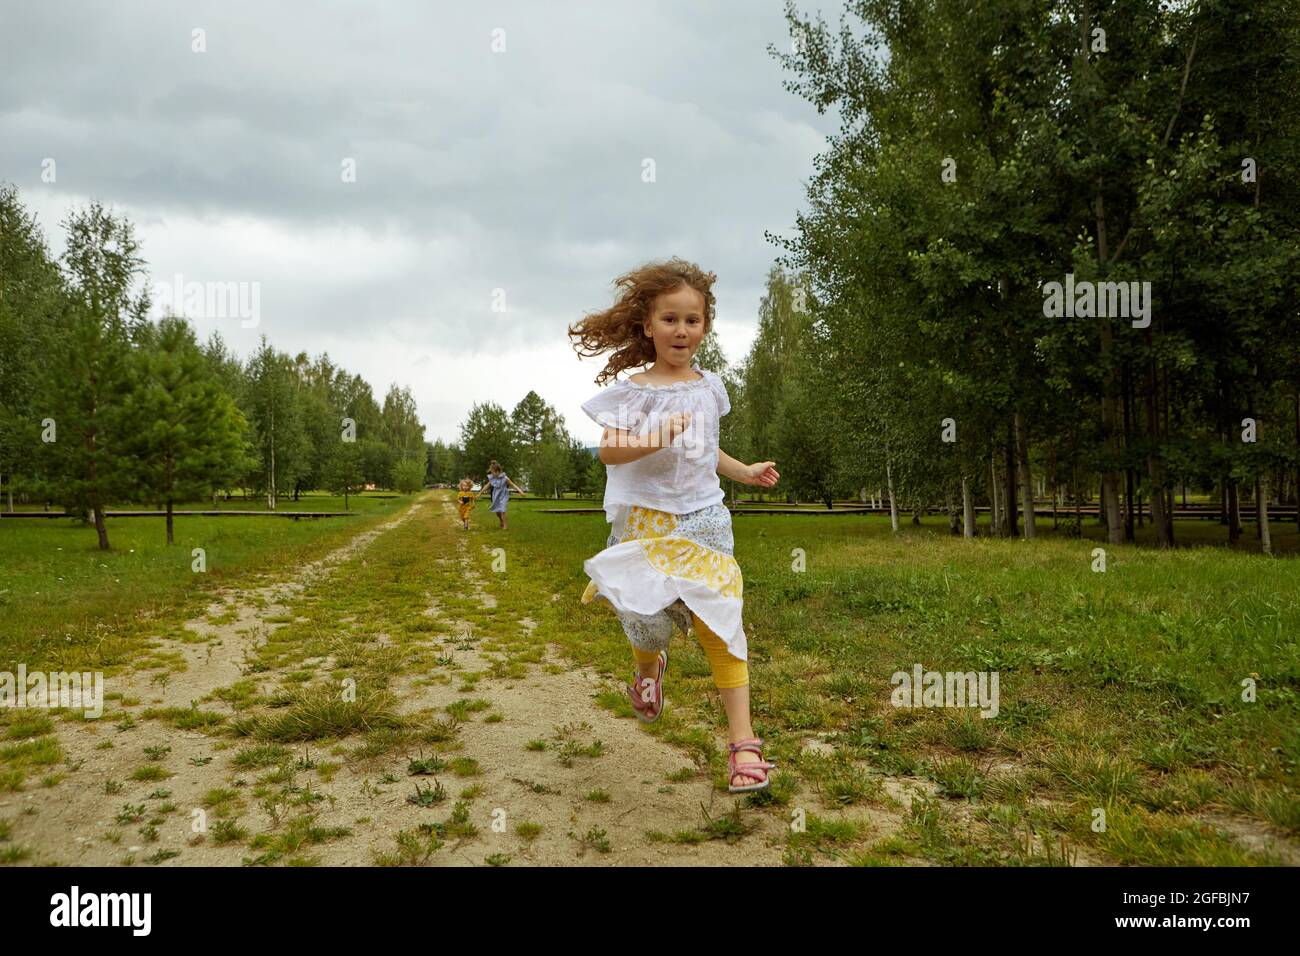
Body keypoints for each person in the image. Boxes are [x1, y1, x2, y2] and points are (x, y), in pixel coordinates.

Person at [567, 256, 781, 793]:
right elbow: (609, 453)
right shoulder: (633, 391)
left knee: (720, 620)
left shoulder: (710, 388)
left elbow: (707, 452)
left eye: (693, 320)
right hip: (644, 522)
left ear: (705, 326)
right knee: (647, 622)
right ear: (648, 325)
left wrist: (745, 470)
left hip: (706, 518)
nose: (681, 330)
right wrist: (655, 436)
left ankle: (743, 746)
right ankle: (647, 668)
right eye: (670, 319)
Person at [483, 461, 524, 529]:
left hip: (503, 495)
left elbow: (512, 485)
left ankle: (505, 525)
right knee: (497, 512)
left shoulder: (505, 478)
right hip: (495, 495)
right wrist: (479, 493)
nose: (492, 474)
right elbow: (487, 486)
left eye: (492, 472)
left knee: (502, 510)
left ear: (497, 472)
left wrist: (520, 491)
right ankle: (501, 520)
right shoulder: (492, 478)